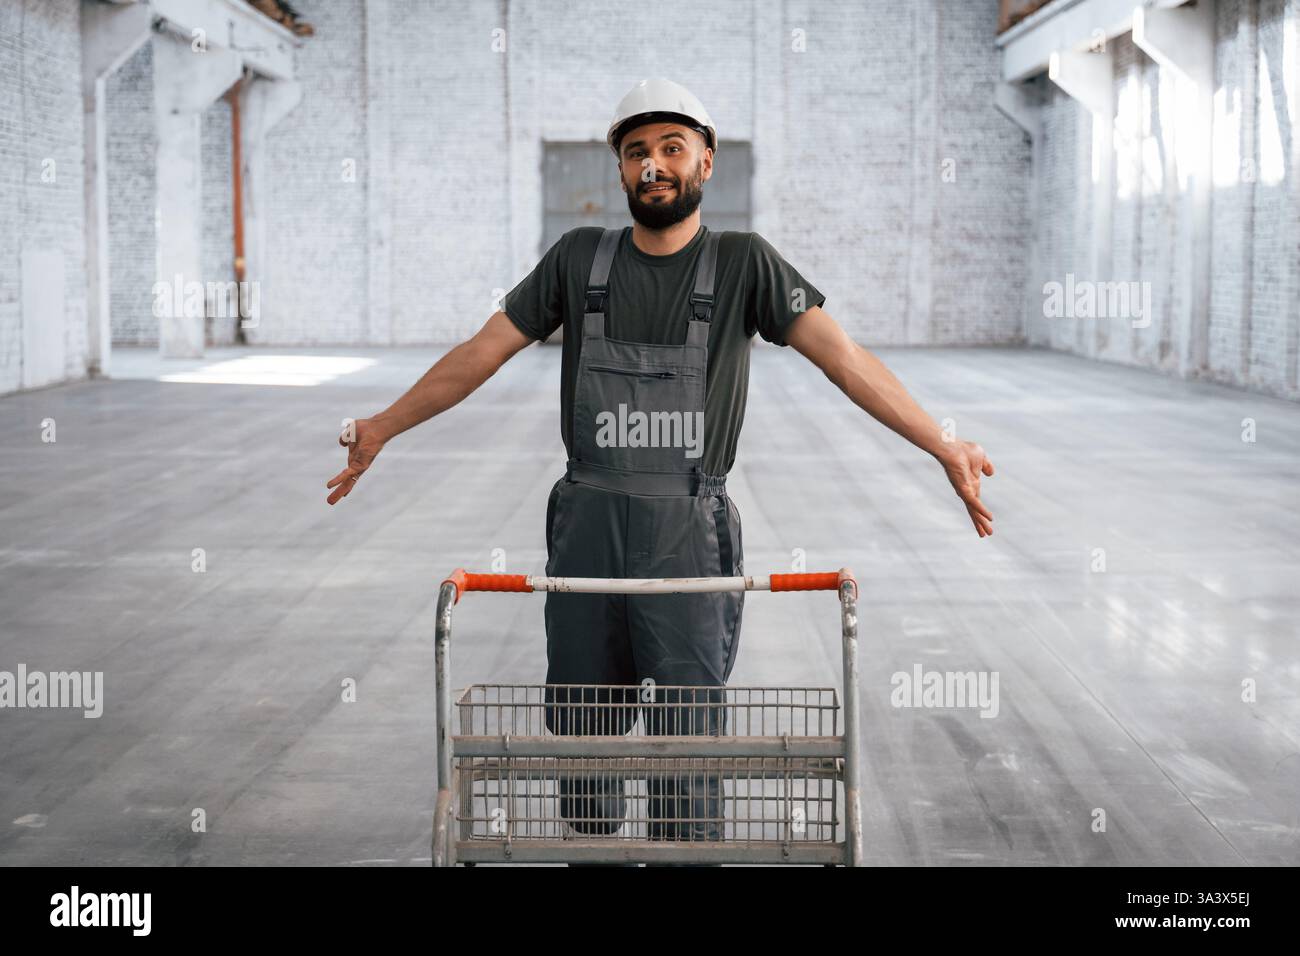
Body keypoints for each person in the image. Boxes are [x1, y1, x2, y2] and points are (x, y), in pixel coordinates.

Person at [327, 78, 995, 864]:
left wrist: (940, 443)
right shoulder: (579, 260)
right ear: (619, 169)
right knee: (581, 738)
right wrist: (383, 427)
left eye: (672, 148)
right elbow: (482, 352)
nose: (653, 165)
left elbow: (844, 361)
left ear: (705, 161)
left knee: (688, 739)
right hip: (588, 529)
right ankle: (592, 852)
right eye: (636, 151)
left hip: (687, 529)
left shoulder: (744, 263)